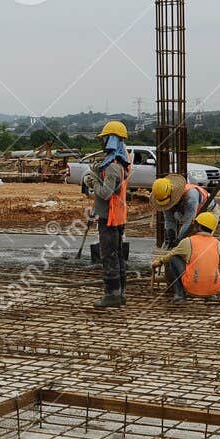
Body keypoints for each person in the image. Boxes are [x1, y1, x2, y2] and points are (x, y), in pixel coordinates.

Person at [87, 120, 132, 308]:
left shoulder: (113, 165)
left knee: (109, 256)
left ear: (110, 140)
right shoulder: (117, 163)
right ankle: (119, 294)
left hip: (111, 219)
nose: (102, 142)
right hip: (115, 215)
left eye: (104, 139)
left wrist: (93, 179)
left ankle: (112, 294)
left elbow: (106, 193)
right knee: (117, 254)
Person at [149, 211, 220, 304]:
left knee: (174, 259)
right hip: (214, 287)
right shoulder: (217, 243)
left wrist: (158, 262)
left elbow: (171, 254)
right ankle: (210, 295)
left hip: (192, 287)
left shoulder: (188, 241)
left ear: (197, 226)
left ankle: (180, 295)